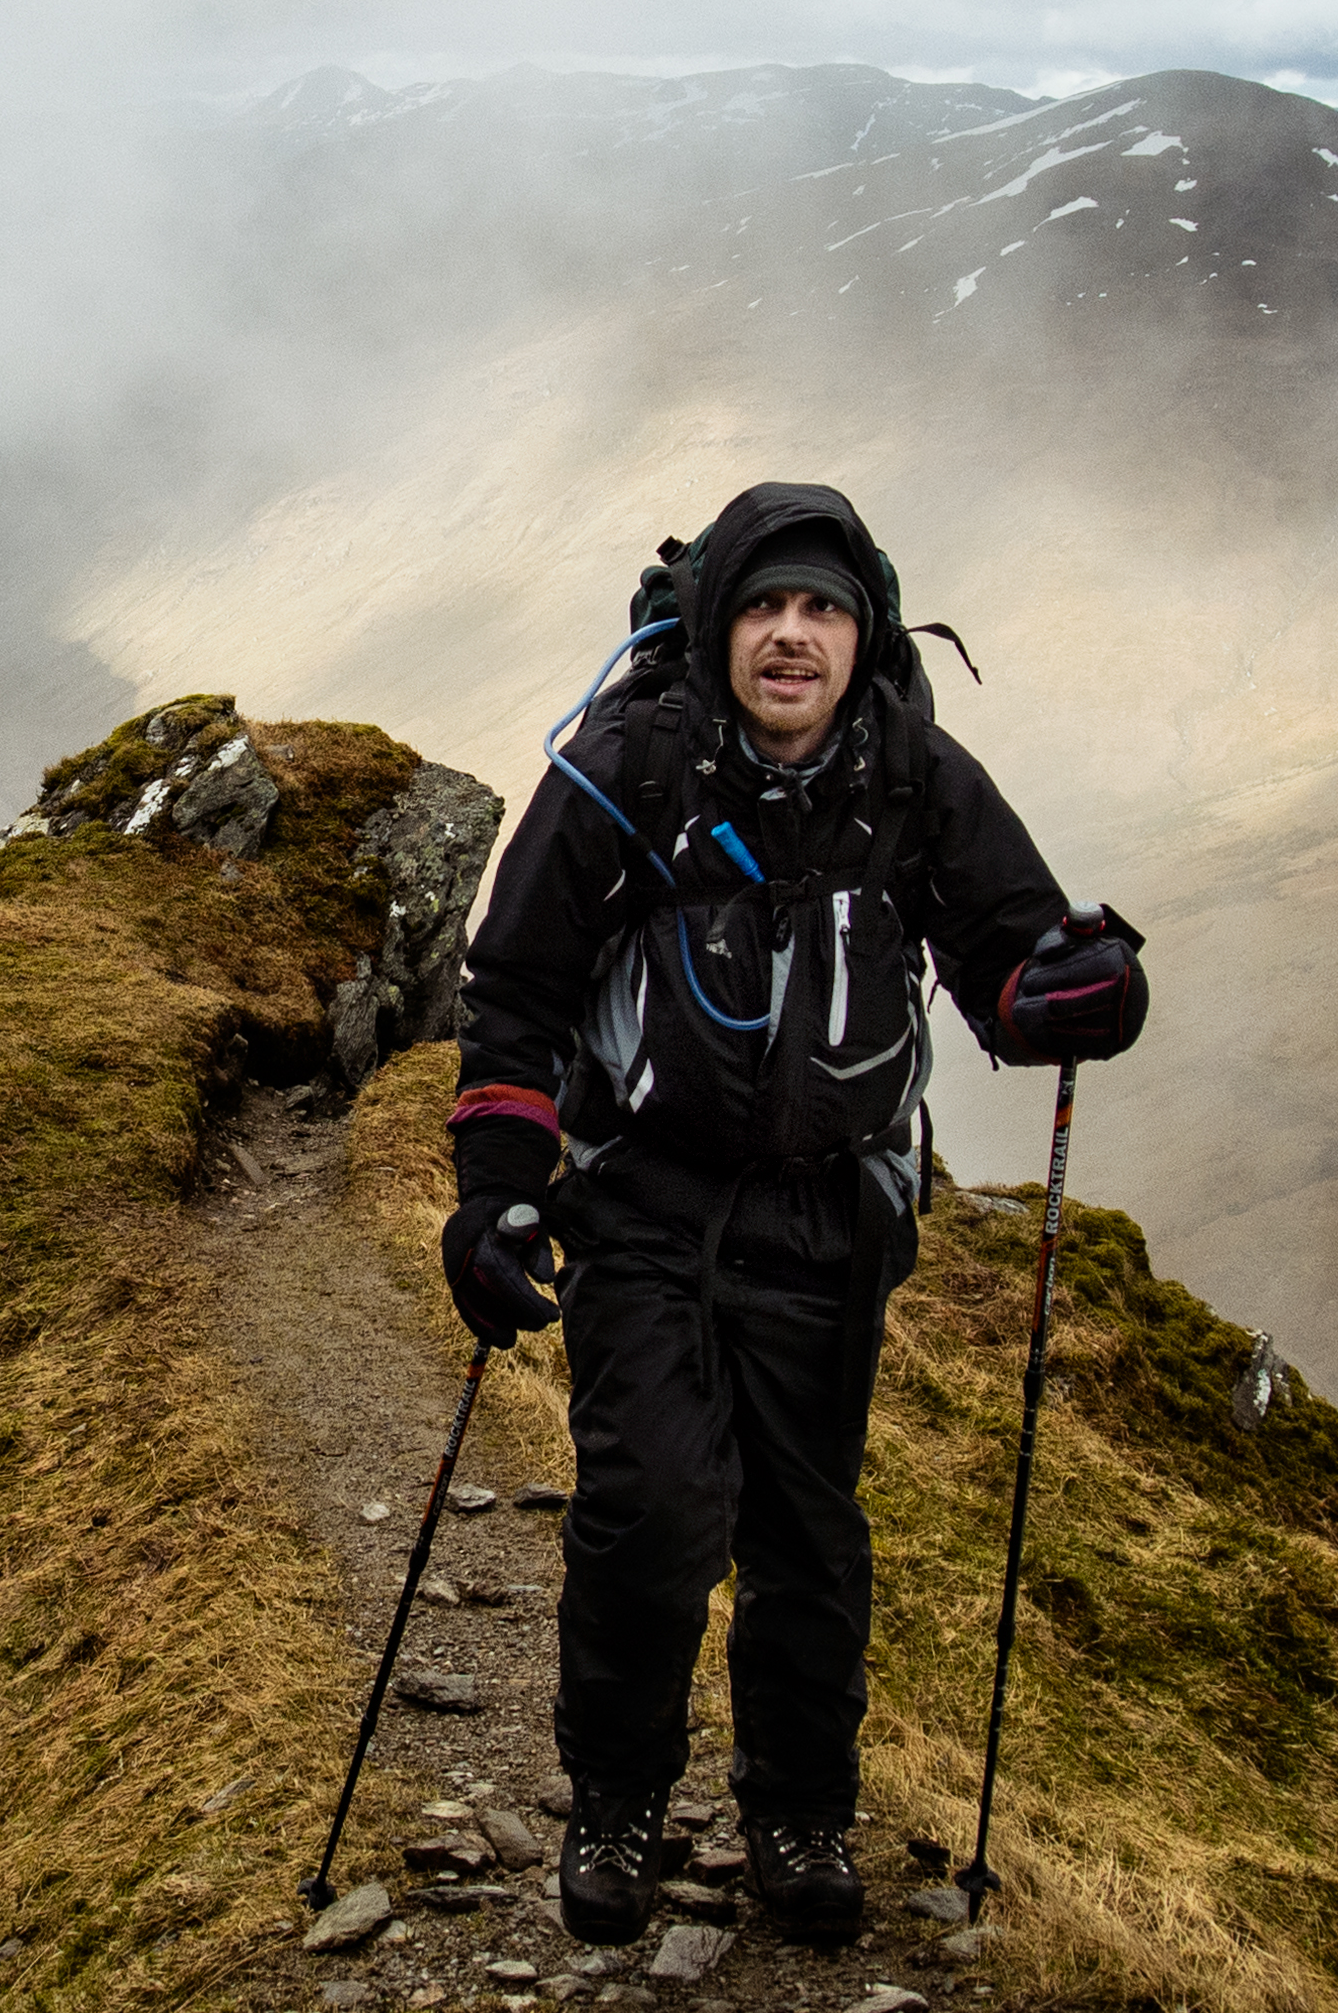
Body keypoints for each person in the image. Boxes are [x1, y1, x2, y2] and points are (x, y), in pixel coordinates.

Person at [437, 482, 1146, 1946]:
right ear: (718, 627)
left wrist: (1079, 993)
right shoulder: (624, 769)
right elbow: (516, 989)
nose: (792, 636)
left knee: (811, 1536)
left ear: (862, 633)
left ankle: (802, 1815)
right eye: (766, 607)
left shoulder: (915, 775)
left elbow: (1014, 957)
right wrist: (498, 1198)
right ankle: (620, 1808)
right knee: (653, 1512)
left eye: (822, 610)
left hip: (832, 1219)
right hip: (641, 1201)